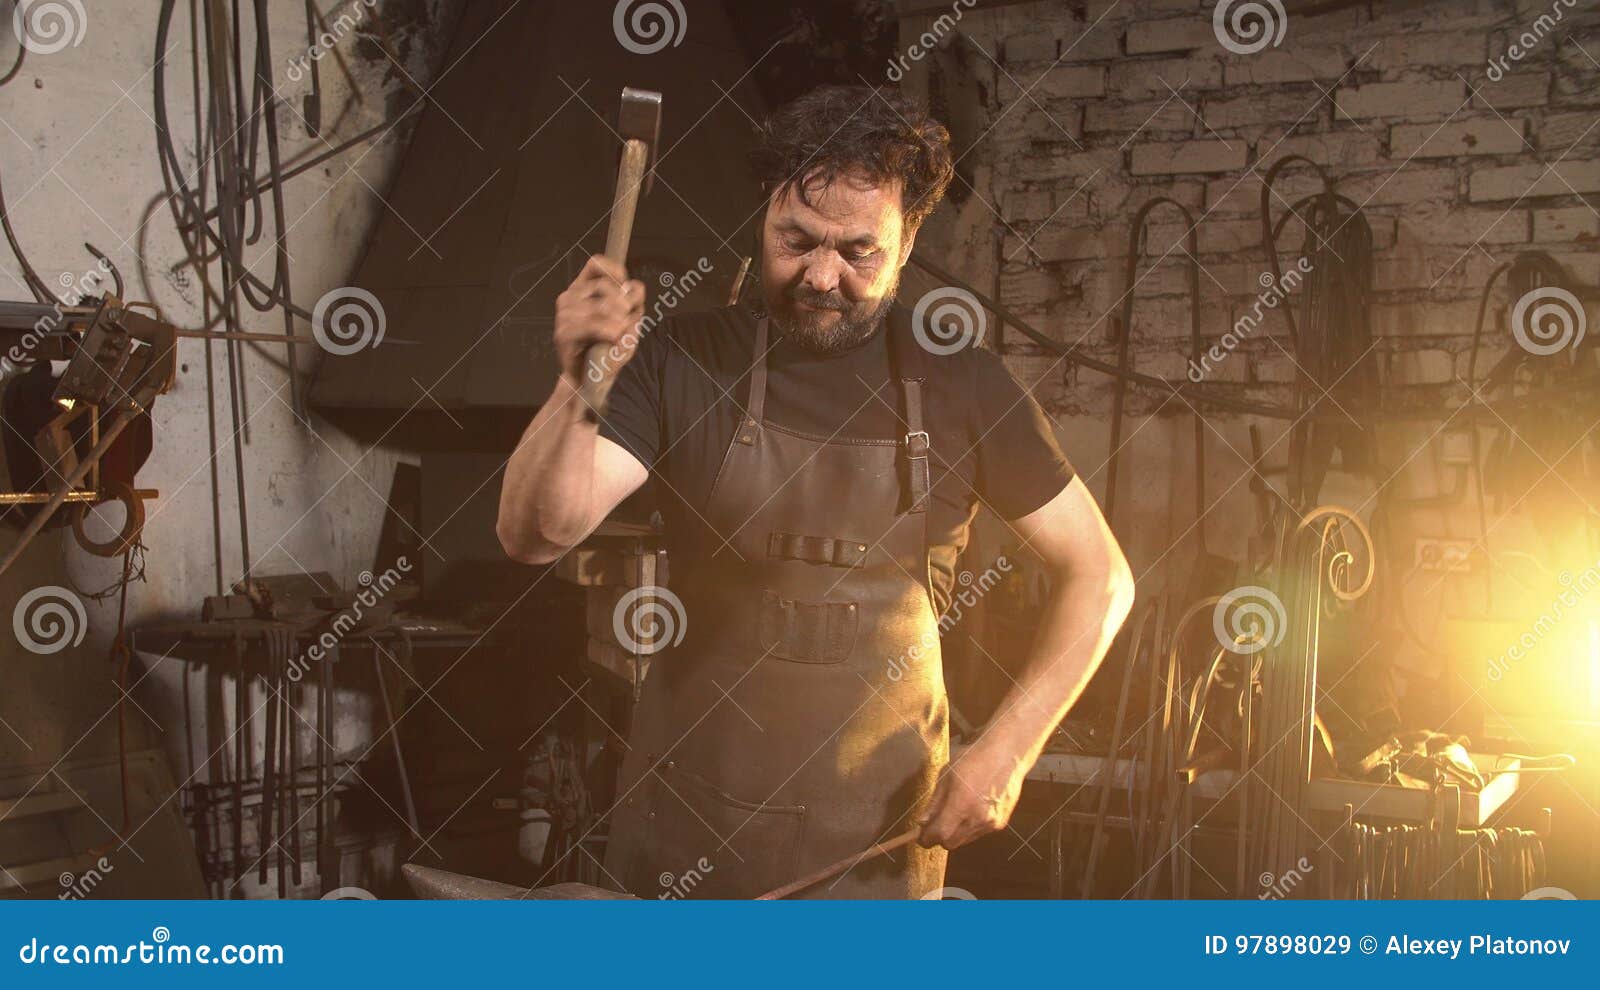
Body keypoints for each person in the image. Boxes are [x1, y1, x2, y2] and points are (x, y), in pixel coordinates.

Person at [497, 84, 1133, 898]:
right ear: (764, 215)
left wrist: (1008, 750)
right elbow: (536, 534)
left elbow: (1101, 574)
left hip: (878, 849)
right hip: (687, 831)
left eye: (858, 251)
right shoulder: (681, 361)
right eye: (794, 240)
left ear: (907, 245)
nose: (821, 276)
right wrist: (578, 384)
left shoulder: (964, 384)